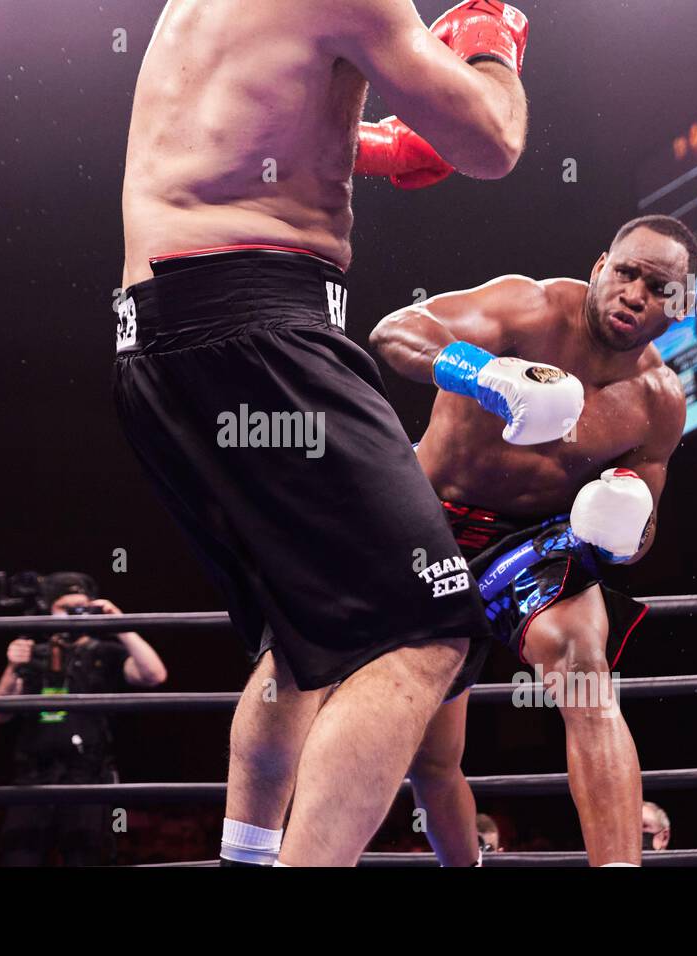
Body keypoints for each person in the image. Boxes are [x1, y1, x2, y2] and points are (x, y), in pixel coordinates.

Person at [114, 0, 584, 867]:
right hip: (262, 332)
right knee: (430, 629)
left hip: (157, 345)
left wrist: (358, 142)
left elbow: (225, 126)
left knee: (299, 646)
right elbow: (492, 140)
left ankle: (247, 859)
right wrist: (490, 44)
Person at [370, 214, 696, 866]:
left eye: (659, 287)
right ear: (601, 267)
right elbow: (395, 331)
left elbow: (645, 528)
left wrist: (622, 529)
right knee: (431, 761)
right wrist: (485, 374)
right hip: (427, 524)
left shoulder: (659, 401)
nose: (635, 293)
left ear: (681, 306)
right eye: (627, 272)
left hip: (530, 543)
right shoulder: (531, 307)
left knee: (585, 672)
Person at [0, 572, 167, 865]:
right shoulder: (32, 654)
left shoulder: (105, 653)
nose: (75, 615)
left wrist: (120, 623)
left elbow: (154, 675)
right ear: (49, 610)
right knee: (18, 858)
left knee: (86, 859)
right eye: (66, 607)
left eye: (82, 606)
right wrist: (13, 667)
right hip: (33, 775)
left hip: (87, 773)